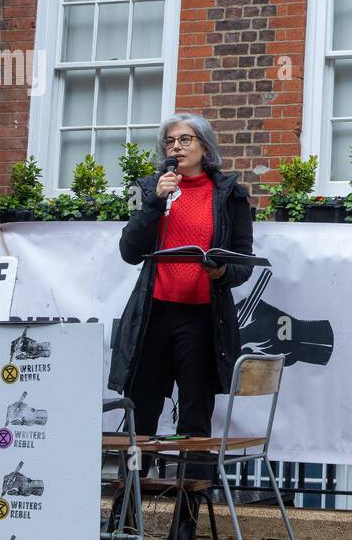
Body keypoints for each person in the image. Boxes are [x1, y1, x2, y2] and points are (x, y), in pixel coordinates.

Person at [108, 112, 254, 438]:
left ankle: (193, 485)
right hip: (154, 313)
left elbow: (244, 261)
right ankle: (135, 483)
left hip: (203, 316)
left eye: (185, 140)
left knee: (195, 407)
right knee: (142, 404)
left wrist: (222, 272)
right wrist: (155, 202)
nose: (176, 147)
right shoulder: (150, 189)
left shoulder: (231, 195)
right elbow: (129, 251)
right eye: (170, 141)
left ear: (205, 147)